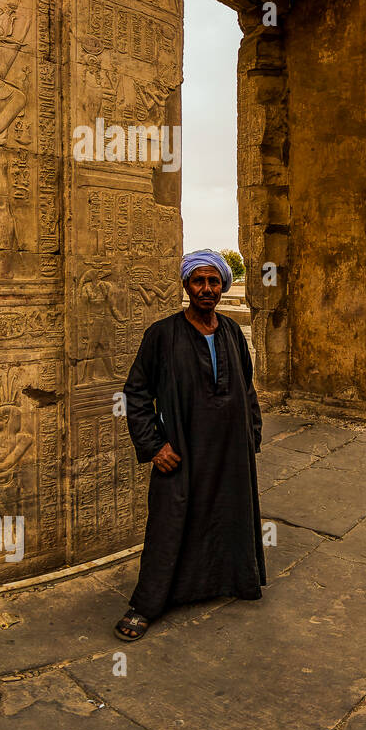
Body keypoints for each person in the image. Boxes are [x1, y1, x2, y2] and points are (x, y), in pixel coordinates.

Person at [114, 251, 264, 642]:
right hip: (181, 448)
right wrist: (154, 444)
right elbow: (135, 392)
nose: (207, 289)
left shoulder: (231, 331)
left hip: (230, 451)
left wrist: (252, 434)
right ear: (186, 285)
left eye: (214, 282)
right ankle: (148, 603)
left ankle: (225, 580)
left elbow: (246, 389)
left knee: (227, 513)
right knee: (171, 518)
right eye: (199, 281)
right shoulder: (162, 335)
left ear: (223, 286)